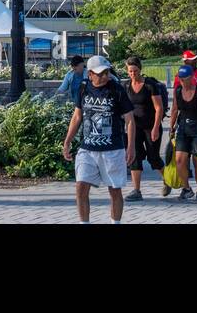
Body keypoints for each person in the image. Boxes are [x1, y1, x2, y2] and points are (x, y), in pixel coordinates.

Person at [62, 55, 136, 224]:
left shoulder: (117, 90)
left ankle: (115, 222)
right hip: (87, 149)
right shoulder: (83, 88)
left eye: (106, 72)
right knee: (80, 187)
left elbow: (130, 120)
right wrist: (67, 142)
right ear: (90, 74)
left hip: (112, 150)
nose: (104, 76)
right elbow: (77, 116)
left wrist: (131, 147)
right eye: (100, 73)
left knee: (115, 191)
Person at [168, 64, 197, 202]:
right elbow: (175, 110)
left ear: (192, 78)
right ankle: (187, 188)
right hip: (183, 128)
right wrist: (171, 127)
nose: (183, 81)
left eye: (185, 78)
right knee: (179, 160)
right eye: (180, 79)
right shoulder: (177, 91)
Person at [121, 56, 164, 201]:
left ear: (140, 69)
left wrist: (156, 128)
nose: (133, 74)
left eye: (135, 71)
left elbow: (159, 108)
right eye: (130, 71)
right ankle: (136, 190)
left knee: (154, 158)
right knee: (135, 157)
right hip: (134, 128)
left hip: (151, 126)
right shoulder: (126, 86)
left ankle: (167, 180)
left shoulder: (150, 85)